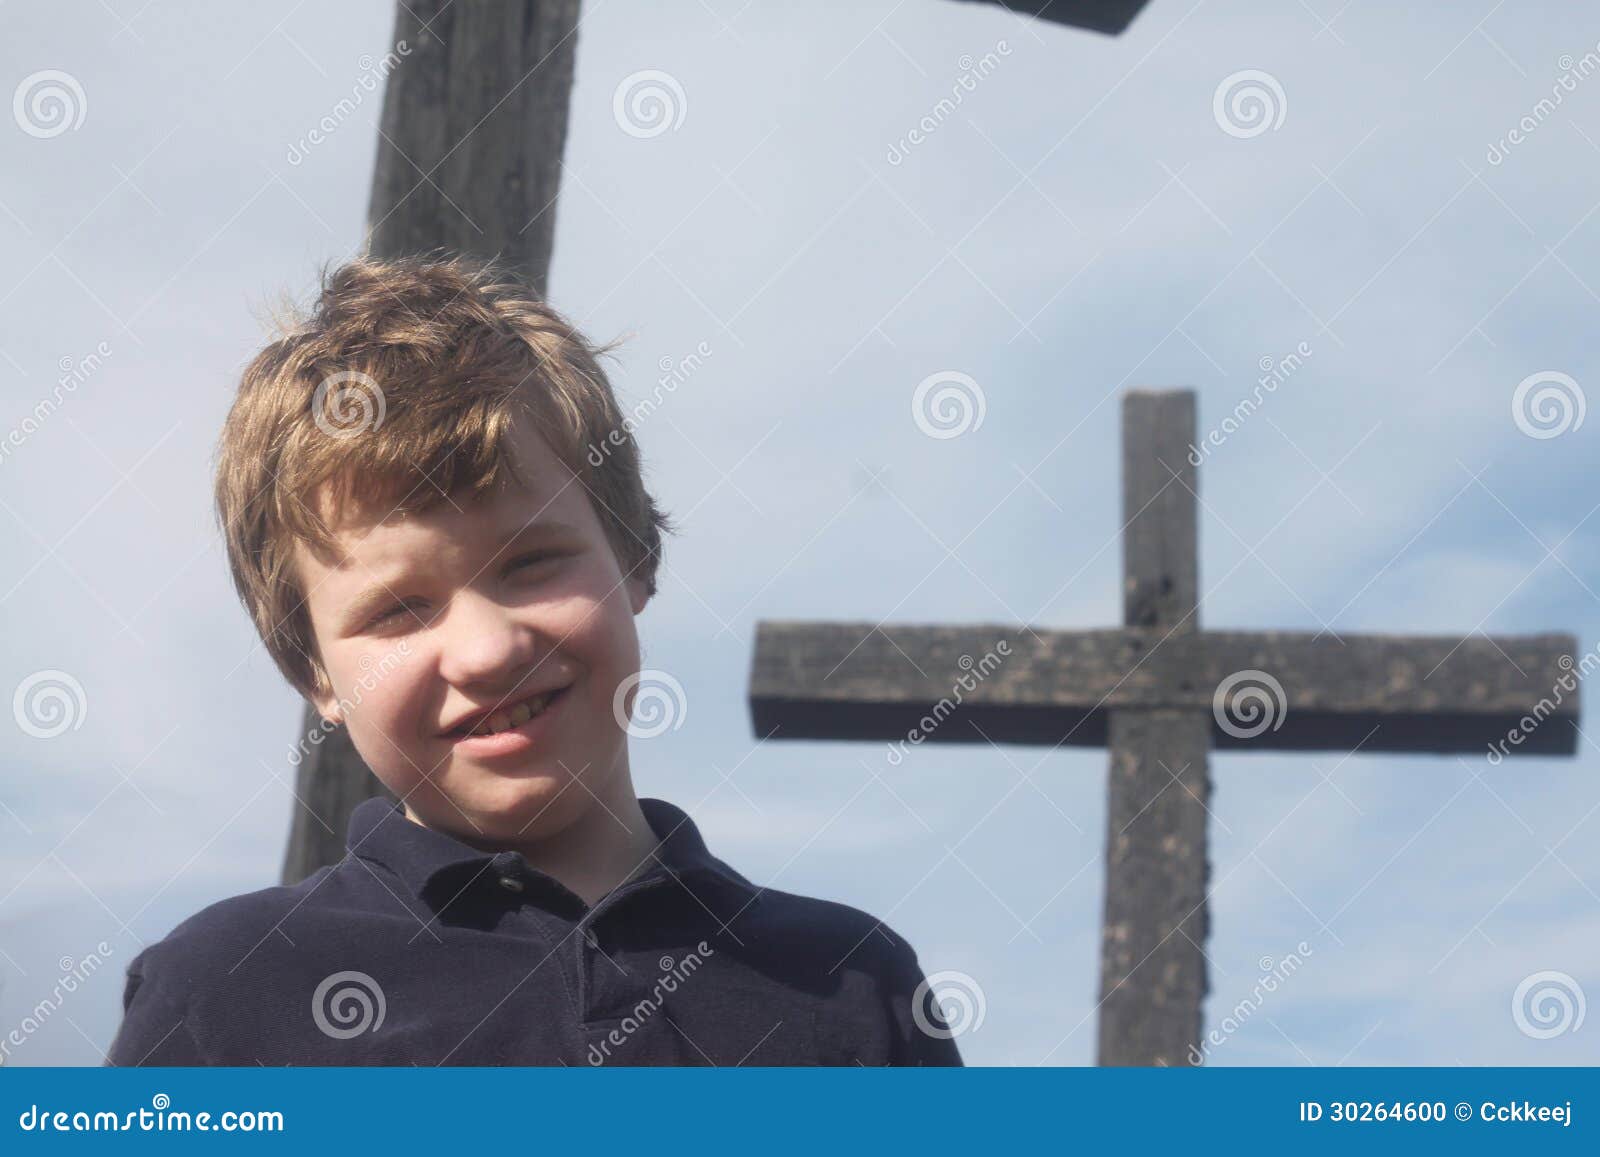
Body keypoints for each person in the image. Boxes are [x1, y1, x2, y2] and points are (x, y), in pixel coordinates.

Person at [105, 253, 962, 1066]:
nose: (487, 651)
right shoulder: (220, 1001)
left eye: (532, 563)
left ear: (635, 555)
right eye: (399, 609)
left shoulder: (855, 988)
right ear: (312, 673)